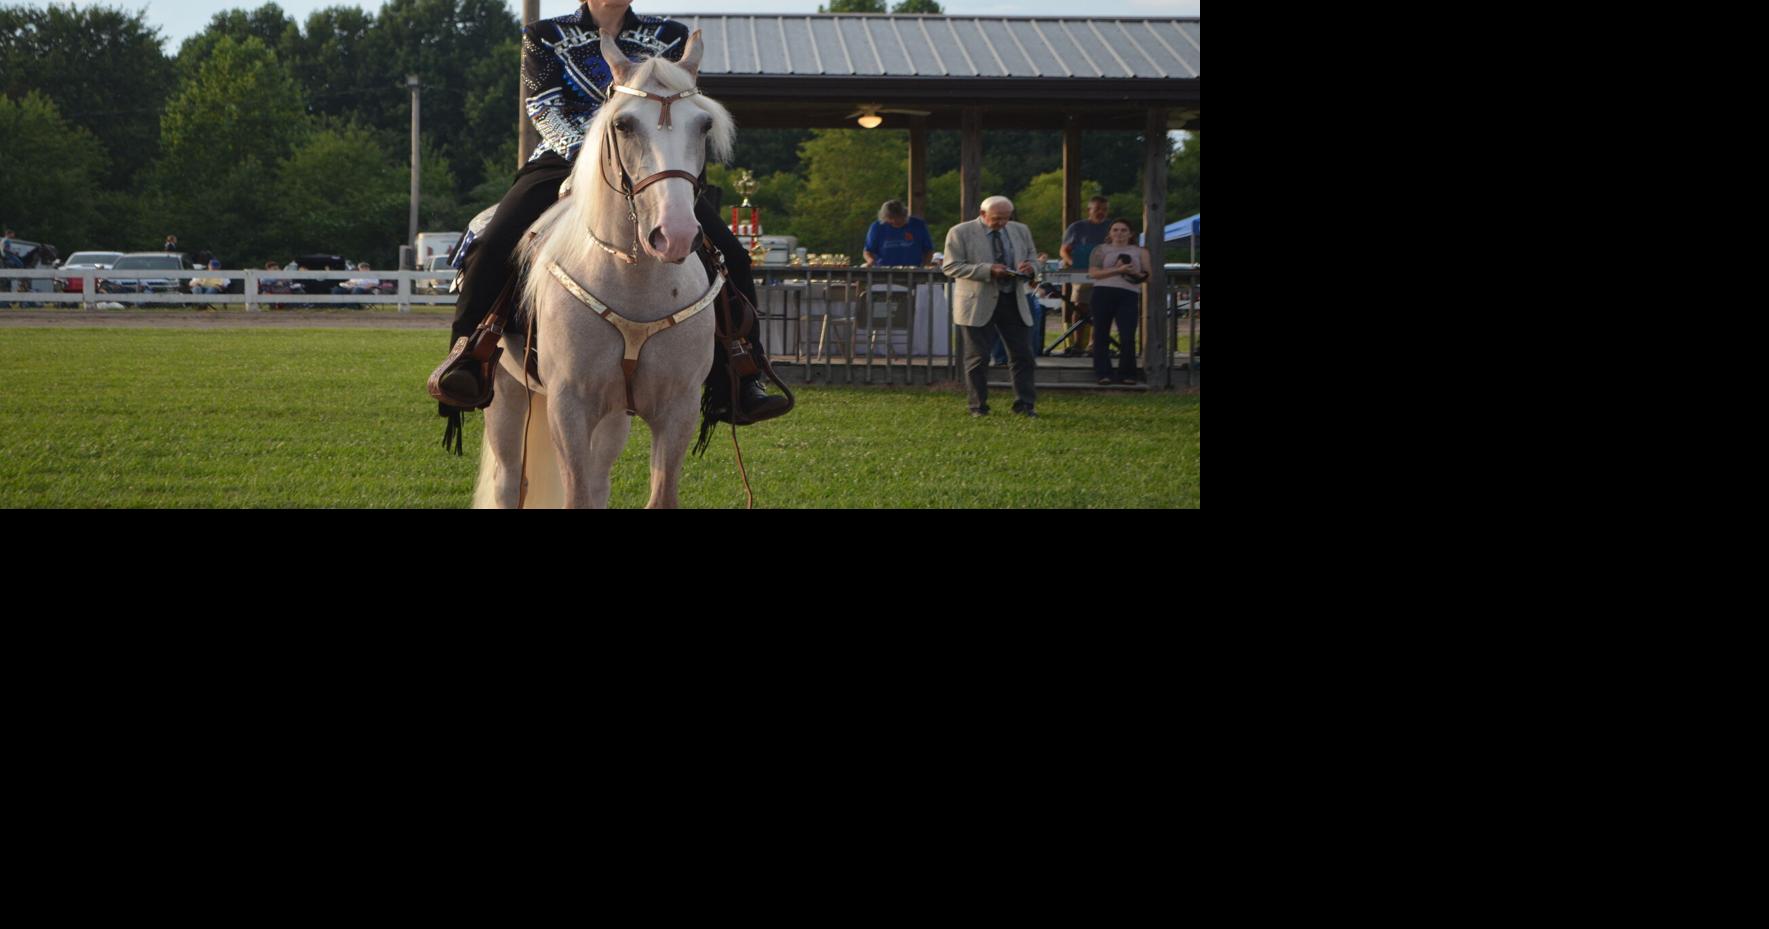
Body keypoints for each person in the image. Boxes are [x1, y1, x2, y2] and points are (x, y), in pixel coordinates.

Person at [432, 0, 787, 439]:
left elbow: (680, 107)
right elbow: (544, 108)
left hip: (653, 166)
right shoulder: (544, 35)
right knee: (492, 242)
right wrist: (593, 156)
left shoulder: (669, 36)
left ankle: (741, 373)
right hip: (565, 159)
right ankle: (469, 356)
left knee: (732, 255)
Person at [942, 196, 1041, 418]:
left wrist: (1031, 268)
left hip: (1014, 299)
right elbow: (951, 266)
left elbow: (1033, 259)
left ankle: (1025, 404)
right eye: (997, 218)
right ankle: (978, 406)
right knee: (978, 357)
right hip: (977, 302)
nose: (1002, 223)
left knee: (1023, 355)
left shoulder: (1021, 230)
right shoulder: (960, 232)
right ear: (983, 214)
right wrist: (988, 270)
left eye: (1006, 218)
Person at [1087, 218, 1151, 385]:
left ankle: (1128, 373)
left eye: (1123, 230)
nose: (1119, 234)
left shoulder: (1140, 251)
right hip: (1103, 292)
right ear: (1110, 233)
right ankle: (1103, 373)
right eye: (1115, 230)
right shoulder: (1101, 249)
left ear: (1130, 234)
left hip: (1128, 293)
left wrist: (1134, 273)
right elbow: (1094, 273)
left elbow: (1148, 276)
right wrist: (1118, 269)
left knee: (1127, 334)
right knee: (1101, 333)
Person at [1060, 196, 1110, 356]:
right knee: (1080, 306)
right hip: (1082, 272)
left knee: (1102, 308)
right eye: (1097, 209)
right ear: (1089, 210)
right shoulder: (1077, 227)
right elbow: (1064, 250)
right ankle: (1077, 344)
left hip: (1106, 273)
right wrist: (1074, 264)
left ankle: (1095, 344)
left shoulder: (1112, 227)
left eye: (1104, 210)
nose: (1101, 212)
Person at [862, 200, 933, 267]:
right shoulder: (877, 227)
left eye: (898, 217)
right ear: (884, 218)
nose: (894, 220)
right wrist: (871, 261)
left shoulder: (918, 225)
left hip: (913, 269)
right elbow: (868, 251)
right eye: (890, 218)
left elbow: (928, 250)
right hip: (883, 270)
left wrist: (926, 265)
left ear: (905, 214)